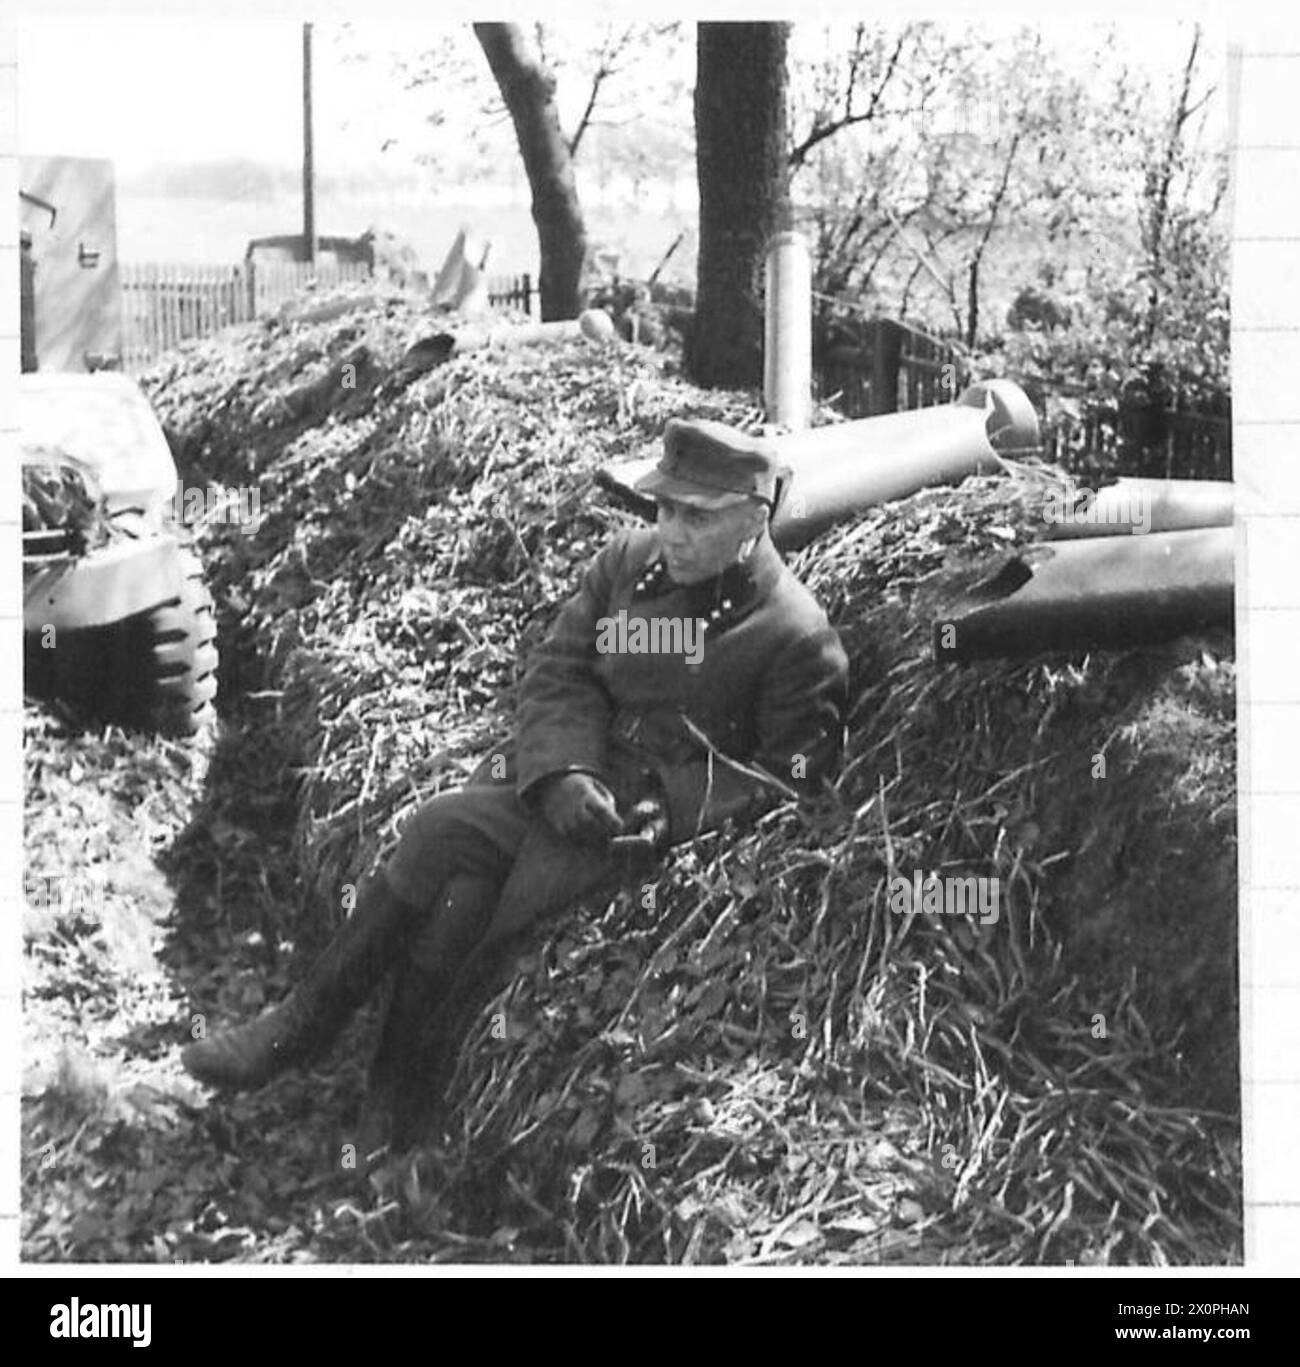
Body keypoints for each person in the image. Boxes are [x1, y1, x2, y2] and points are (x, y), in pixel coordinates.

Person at [182, 417, 849, 1146]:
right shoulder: (628, 565)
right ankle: (322, 1039)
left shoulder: (795, 636)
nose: (673, 532)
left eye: (698, 516)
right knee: (443, 832)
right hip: (569, 783)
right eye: (664, 508)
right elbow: (561, 670)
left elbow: (788, 774)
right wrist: (564, 768)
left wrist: (673, 808)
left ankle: (376, 1081)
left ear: (755, 519)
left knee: (467, 892)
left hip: (627, 829)